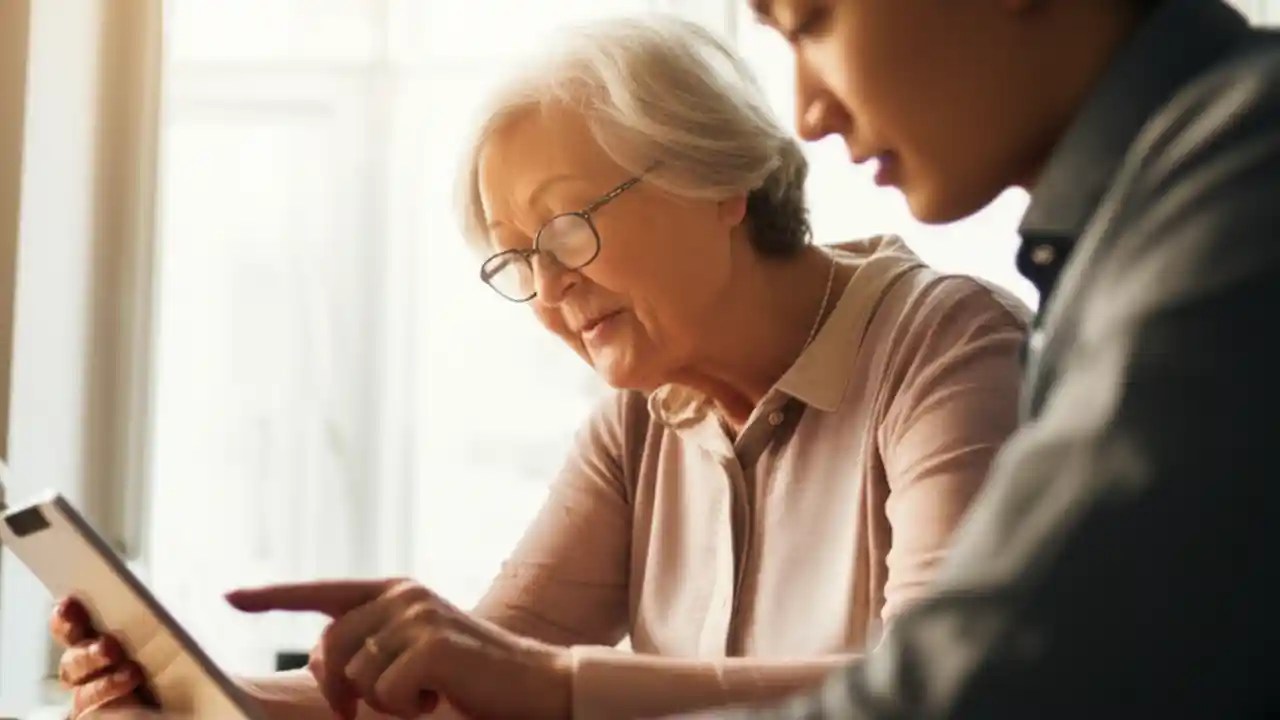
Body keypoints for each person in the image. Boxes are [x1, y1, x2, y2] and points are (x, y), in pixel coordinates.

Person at [48, 15, 1029, 720]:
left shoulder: (944, 346)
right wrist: (181, 694)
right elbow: (458, 683)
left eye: (568, 226)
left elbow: (939, 688)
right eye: (518, 257)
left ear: (719, 178)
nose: (549, 286)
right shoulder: (643, 416)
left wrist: (560, 690)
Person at [710, 0, 1280, 717]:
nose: (808, 114)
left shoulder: (1248, 182)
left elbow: (997, 675)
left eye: (812, 24)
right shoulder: (1142, 218)